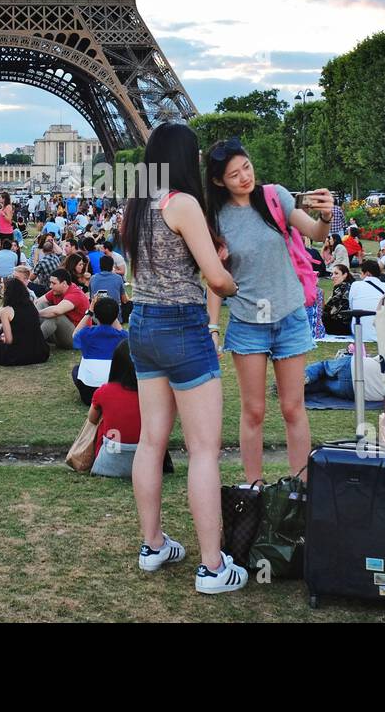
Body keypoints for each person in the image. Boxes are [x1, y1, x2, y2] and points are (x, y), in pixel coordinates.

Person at [122, 122, 245, 594]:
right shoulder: (184, 202)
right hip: (183, 327)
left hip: (144, 325)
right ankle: (213, 567)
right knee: (203, 450)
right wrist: (232, 278)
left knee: (152, 442)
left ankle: (153, 544)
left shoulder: (133, 206)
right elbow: (215, 280)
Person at [204, 137, 334, 484]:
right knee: (254, 412)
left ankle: (302, 487)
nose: (245, 177)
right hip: (248, 321)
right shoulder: (215, 218)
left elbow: (314, 233)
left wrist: (326, 217)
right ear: (219, 181)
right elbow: (217, 278)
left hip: (289, 315)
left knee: (294, 408)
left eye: (246, 167)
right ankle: (254, 488)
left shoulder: (275, 196)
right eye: (234, 175)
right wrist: (213, 326)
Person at [85, 341, 145, 479]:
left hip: (113, 451)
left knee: (102, 423)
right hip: (145, 451)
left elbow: (92, 419)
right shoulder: (149, 391)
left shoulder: (104, 391)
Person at [0, 276, 50, 367]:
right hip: (40, 353)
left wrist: (0, 338)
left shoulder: (7, 310)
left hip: (17, 355)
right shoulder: (31, 305)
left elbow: (9, 340)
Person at [70, 296, 128, 404]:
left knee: (76, 370)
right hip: (114, 393)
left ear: (96, 315)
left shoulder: (87, 333)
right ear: (116, 316)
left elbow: (74, 335)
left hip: (89, 395)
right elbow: (122, 331)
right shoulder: (122, 336)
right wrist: (111, 314)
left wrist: (89, 312)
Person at [36, 268, 89, 349]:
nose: (50, 286)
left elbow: (57, 311)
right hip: (63, 335)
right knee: (41, 304)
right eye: (51, 283)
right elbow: (37, 302)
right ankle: (26, 336)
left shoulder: (75, 294)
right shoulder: (57, 291)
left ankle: (32, 342)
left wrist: (35, 313)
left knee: (56, 316)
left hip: (77, 338)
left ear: (64, 283)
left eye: (53, 283)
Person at [348, 259, 385, 341]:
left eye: (361, 273)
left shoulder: (355, 285)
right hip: (383, 333)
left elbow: (351, 307)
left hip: (358, 331)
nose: (360, 276)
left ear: (367, 273)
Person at [319, 263, 354, 336]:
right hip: (349, 325)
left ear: (345, 275)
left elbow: (326, 309)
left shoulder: (340, 287)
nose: (333, 277)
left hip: (339, 326)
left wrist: (321, 296)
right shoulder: (350, 286)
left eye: (336, 273)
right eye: (332, 274)